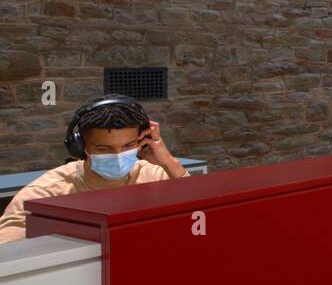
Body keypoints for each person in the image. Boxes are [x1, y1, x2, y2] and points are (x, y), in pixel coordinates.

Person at [0, 95, 190, 245]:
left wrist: (168, 161)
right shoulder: (46, 192)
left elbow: (200, 218)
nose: (118, 155)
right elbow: (8, 251)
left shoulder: (154, 175)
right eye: (103, 148)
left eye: (128, 145)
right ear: (80, 146)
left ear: (142, 142)